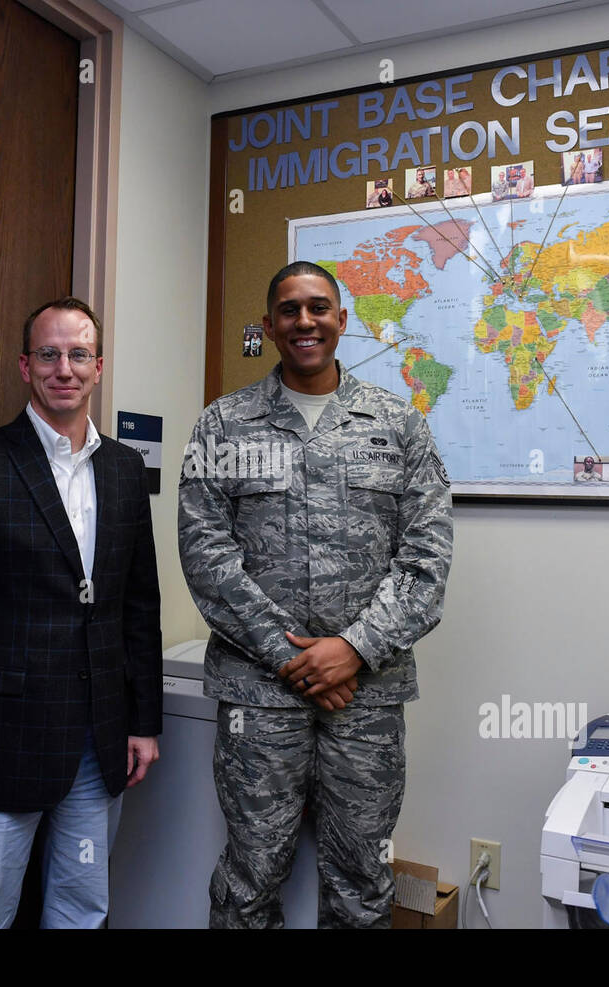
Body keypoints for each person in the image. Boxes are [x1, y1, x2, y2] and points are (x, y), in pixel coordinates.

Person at [178, 261, 454, 928]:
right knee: (250, 875)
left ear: (343, 320)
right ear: (270, 325)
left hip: (368, 696)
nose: (306, 322)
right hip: (259, 697)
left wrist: (353, 650)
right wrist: (292, 657)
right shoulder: (224, 425)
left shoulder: (398, 424)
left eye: (320, 308)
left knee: (363, 877)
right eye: (291, 310)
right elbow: (205, 556)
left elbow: (427, 558)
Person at [0, 296, 162, 929]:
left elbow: (139, 605)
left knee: (82, 910)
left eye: (78, 354)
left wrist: (143, 721)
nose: (65, 368)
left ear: (99, 366)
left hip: (99, 740)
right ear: (24, 367)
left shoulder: (123, 469)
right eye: (49, 354)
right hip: (1, 747)